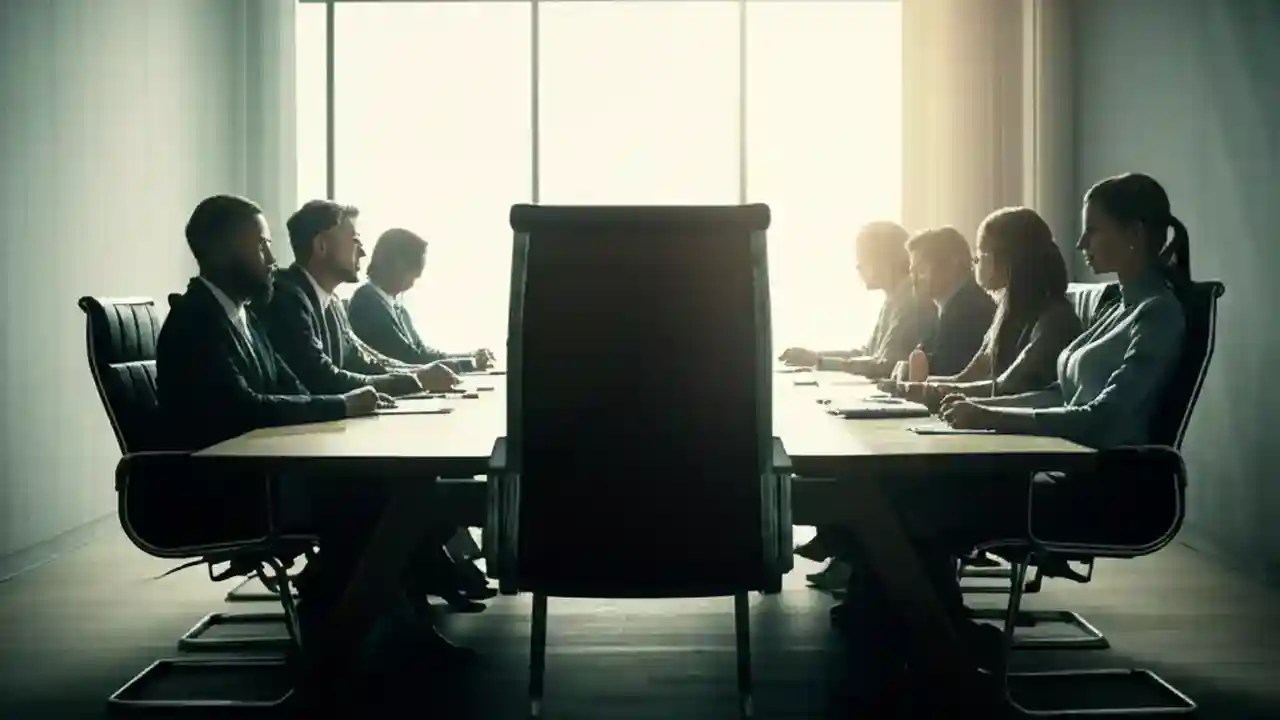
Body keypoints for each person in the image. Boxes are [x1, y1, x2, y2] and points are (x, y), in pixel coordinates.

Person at [837, 173, 1192, 690]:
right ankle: (923, 634)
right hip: (1064, 469)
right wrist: (982, 407)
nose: (1079, 244)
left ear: (1135, 233)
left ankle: (930, 647)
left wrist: (994, 414)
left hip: (1103, 487)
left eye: (1093, 231)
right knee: (907, 491)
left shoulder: (1157, 315)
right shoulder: (1120, 306)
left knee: (915, 501)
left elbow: (1100, 418)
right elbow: (1058, 396)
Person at [155, 195, 473, 684]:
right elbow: (243, 408)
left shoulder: (238, 315)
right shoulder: (198, 321)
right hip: (226, 490)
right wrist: (341, 406)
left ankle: (362, 614)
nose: (271, 257)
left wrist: (339, 407)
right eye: (260, 245)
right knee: (388, 493)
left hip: (260, 472)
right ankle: (353, 628)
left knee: (393, 489)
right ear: (222, 251)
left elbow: (291, 388)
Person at [886, 207, 1082, 408]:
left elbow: (1007, 385)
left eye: (981, 255)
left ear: (1009, 257)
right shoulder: (1005, 312)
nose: (974, 262)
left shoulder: (1054, 319)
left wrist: (930, 391)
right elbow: (967, 377)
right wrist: (915, 386)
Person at [263, 200, 459, 398]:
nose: (364, 252)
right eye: (355, 241)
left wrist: (418, 374)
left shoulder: (333, 303)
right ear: (321, 245)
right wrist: (415, 380)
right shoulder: (286, 297)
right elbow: (322, 378)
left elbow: (367, 361)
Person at [780, 221, 935, 379]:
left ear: (886, 259)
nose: (858, 266)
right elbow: (869, 354)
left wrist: (819, 361)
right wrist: (815, 356)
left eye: (864, 257)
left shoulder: (911, 302)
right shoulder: (895, 298)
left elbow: (887, 365)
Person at [348, 227, 494, 372]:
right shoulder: (367, 303)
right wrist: (469, 364)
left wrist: (470, 357)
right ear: (397, 263)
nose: (417, 277)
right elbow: (408, 358)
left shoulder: (396, 307)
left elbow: (422, 352)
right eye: (415, 267)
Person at [903, 226, 997, 379]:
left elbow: (949, 369)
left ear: (953, 262)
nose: (913, 280)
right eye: (912, 271)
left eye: (921, 270)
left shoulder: (972, 309)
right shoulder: (944, 307)